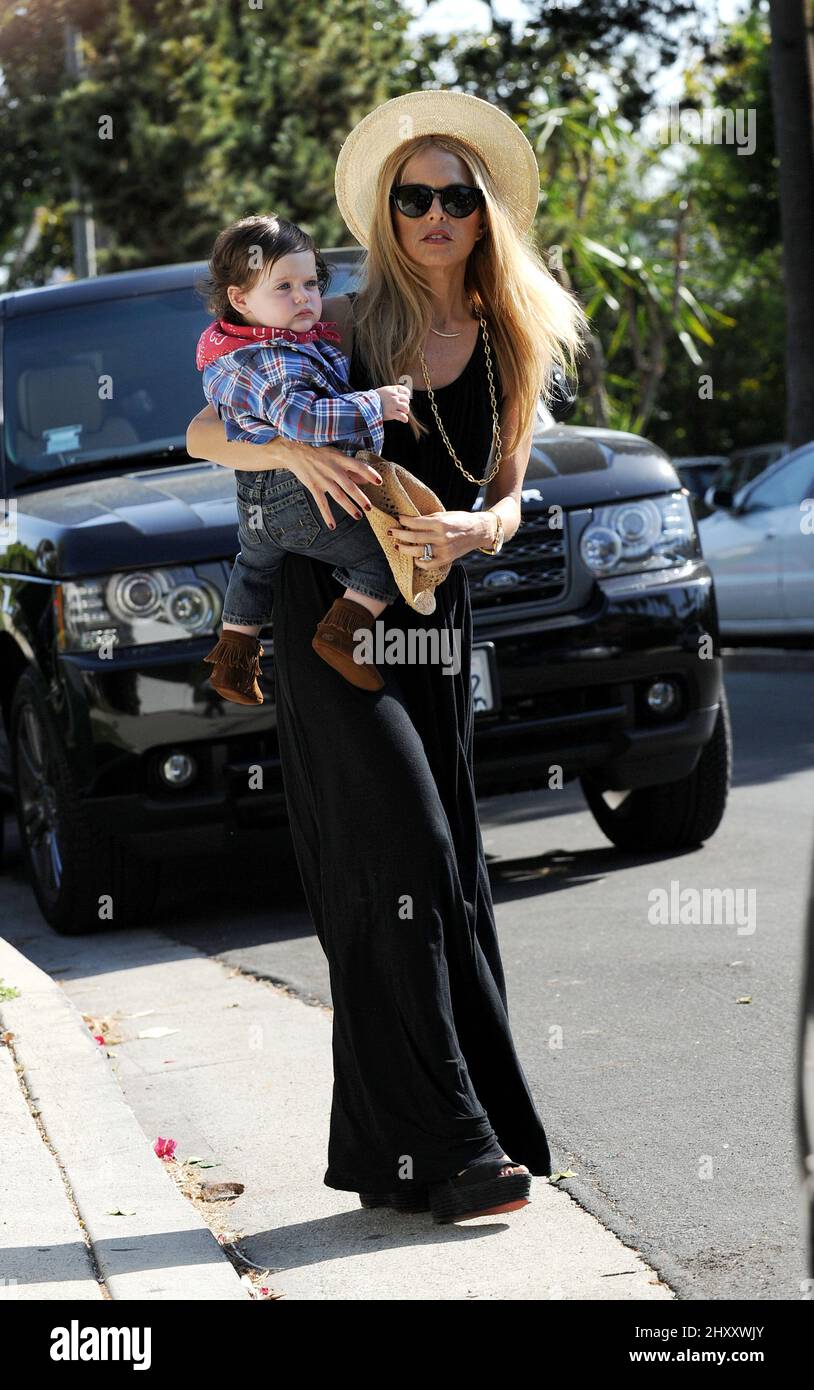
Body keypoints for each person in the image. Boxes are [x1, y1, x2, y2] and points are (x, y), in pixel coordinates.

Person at [186, 89, 589, 1224]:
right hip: (329, 623)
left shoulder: (514, 335)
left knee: (437, 870)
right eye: (412, 196)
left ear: (485, 213)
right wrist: (288, 451)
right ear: (386, 210)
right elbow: (201, 429)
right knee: (401, 848)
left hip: (428, 614)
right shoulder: (344, 323)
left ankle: (408, 1150)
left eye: (456, 196)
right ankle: (456, 1146)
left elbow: (510, 496)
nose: (433, 213)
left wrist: (477, 529)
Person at [195, 213, 414, 699]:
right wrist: (375, 402)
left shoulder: (232, 350)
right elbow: (305, 422)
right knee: (387, 559)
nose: (303, 297)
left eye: (311, 283)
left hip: (253, 500)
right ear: (240, 298)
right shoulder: (272, 357)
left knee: (253, 569)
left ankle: (234, 658)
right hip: (305, 494)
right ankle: (342, 634)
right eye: (284, 287)